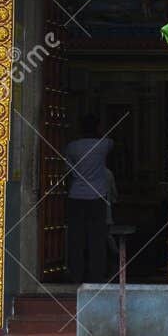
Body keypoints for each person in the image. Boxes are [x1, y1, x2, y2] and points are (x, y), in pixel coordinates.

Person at [64, 114, 113, 286]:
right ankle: (97, 276)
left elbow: (68, 167)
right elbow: (110, 140)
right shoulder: (104, 145)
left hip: (76, 195)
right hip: (97, 196)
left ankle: (76, 274)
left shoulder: (72, 147)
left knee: (76, 239)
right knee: (97, 239)